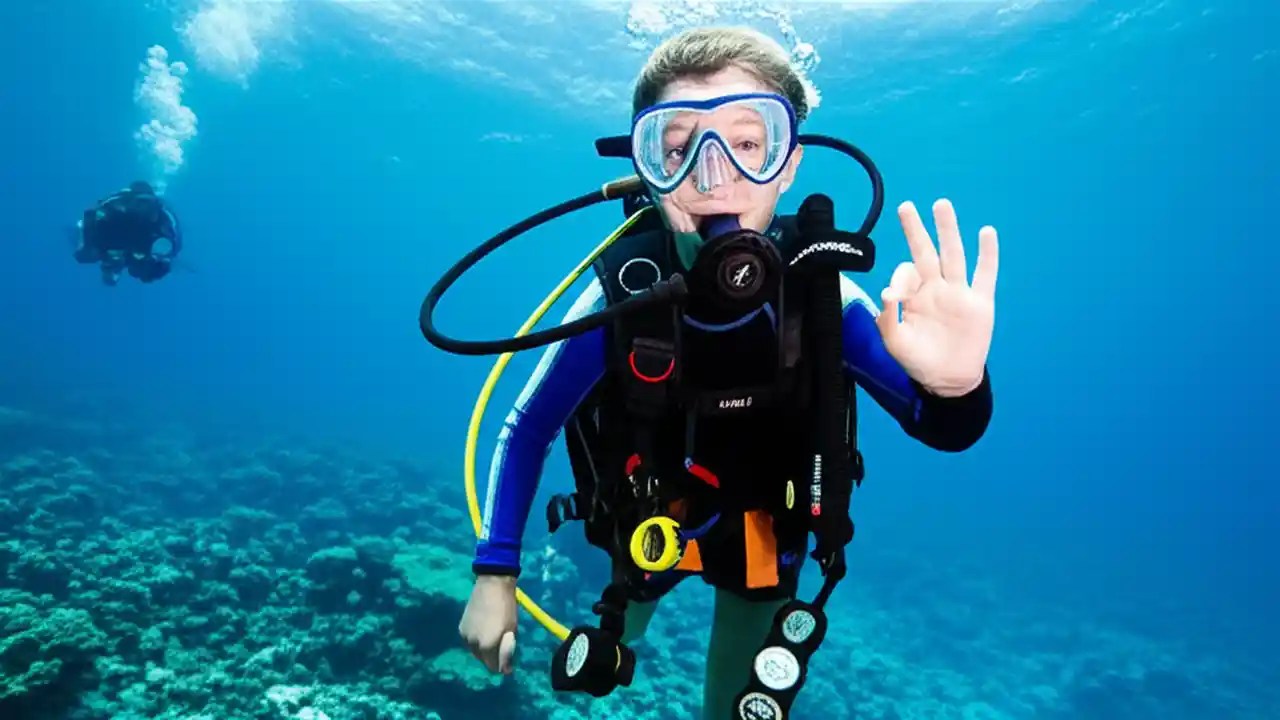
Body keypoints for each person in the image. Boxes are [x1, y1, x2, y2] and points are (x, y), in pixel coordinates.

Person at [458, 26, 999, 720]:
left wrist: (957, 388)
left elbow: (947, 427)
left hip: (766, 547)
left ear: (790, 164)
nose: (715, 176)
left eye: (749, 142)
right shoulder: (625, 291)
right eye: (678, 147)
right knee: (594, 673)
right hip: (644, 529)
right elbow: (527, 427)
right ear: (647, 168)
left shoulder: (825, 297)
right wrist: (496, 571)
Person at [73, 181, 181, 285]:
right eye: (139, 203)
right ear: (131, 200)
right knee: (85, 255)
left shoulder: (164, 217)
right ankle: (111, 262)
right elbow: (91, 215)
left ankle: (118, 263)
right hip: (117, 235)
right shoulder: (115, 205)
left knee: (151, 271)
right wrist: (88, 244)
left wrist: (158, 259)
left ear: (154, 203)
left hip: (143, 248)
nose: (143, 208)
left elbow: (175, 242)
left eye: (147, 203)